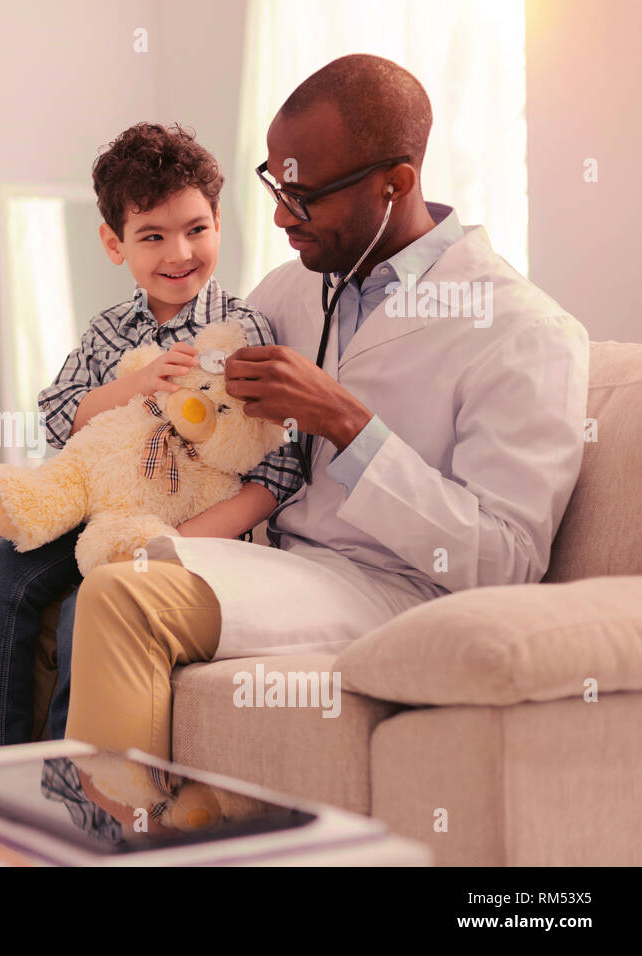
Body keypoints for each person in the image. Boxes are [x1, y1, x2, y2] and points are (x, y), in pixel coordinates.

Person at [61, 54, 590, 759]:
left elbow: (507, 562)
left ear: (394, 184)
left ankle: (104, 837)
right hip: (274, 560)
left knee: (126, 596)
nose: (281, 216)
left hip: (396, 590)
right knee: (32, 592)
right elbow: (183, 424)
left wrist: (347, 422)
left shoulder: (527, 332)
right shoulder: (291, 287)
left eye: (304, 196)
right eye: (276, 187)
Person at [0, 122, 304, 752]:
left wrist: (176, 541)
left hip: (186, 523)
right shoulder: (108, 332)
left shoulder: (243, 329)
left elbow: (282, 466)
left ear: (218, 221)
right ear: (114, 243)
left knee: (89, 610)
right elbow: (59, 417)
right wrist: (135, 387)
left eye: (196, 229)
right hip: (98, 510)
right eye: (152, 236)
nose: (178, 253)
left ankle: (74, 775)